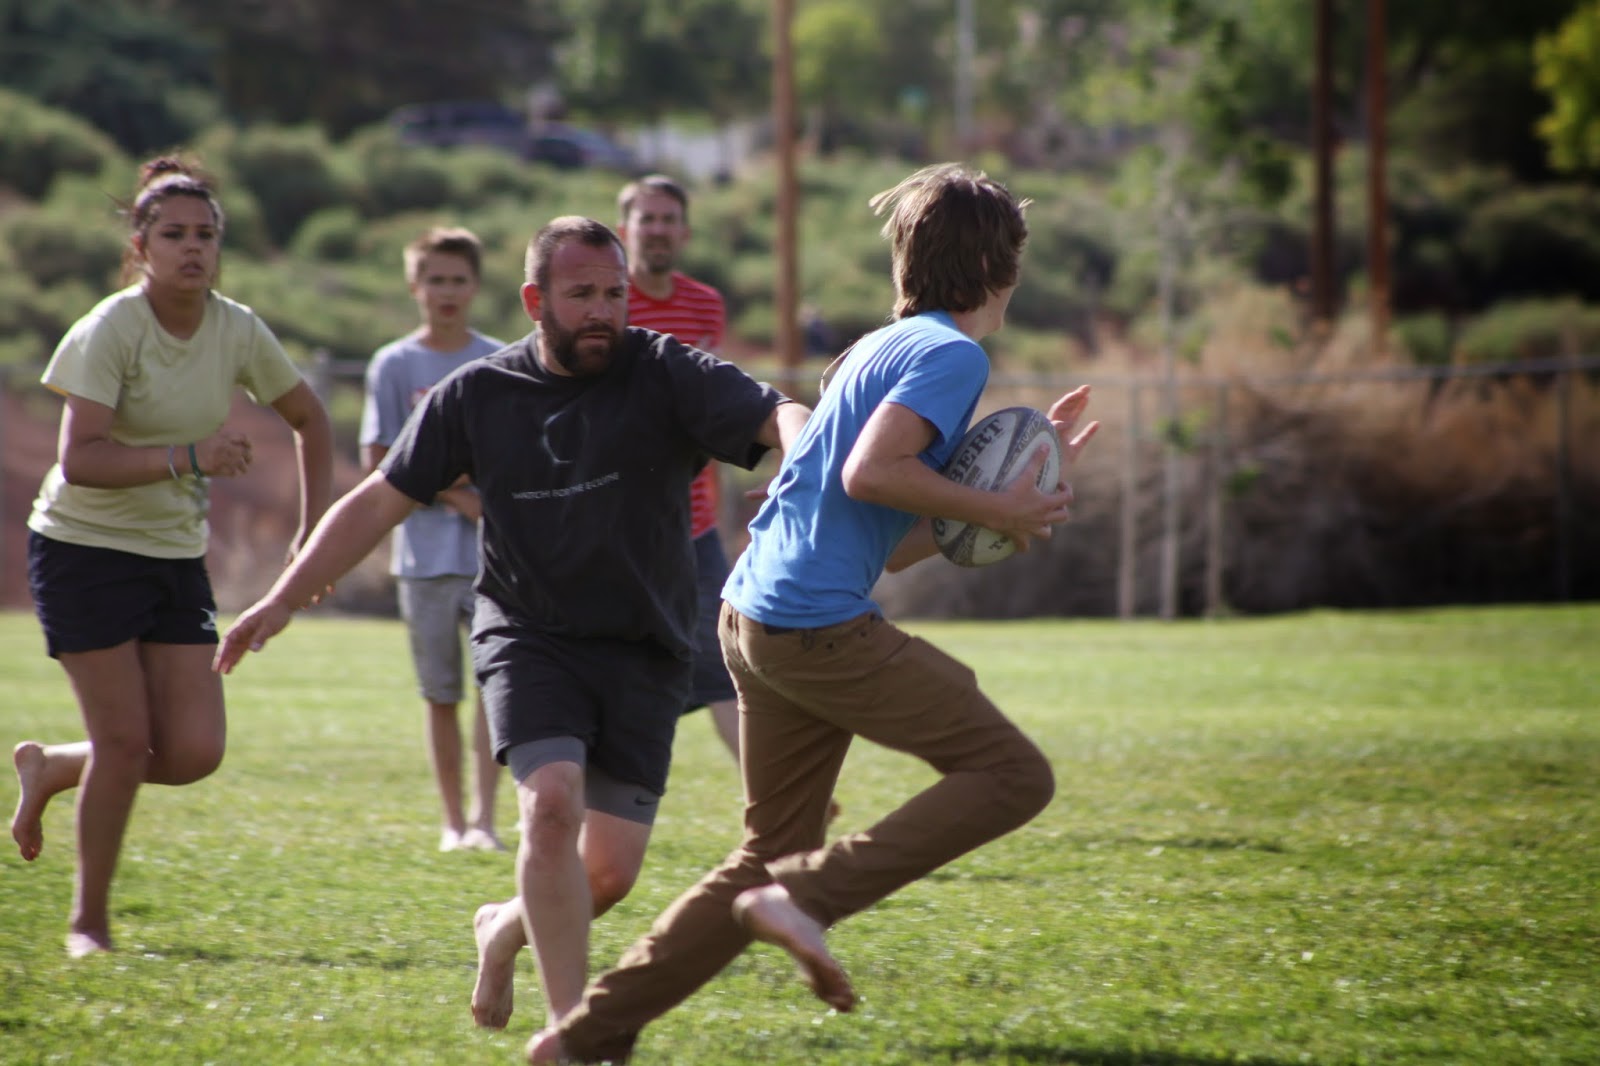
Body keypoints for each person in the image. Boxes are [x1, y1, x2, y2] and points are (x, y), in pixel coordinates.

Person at [526, 162, 1101, 1064]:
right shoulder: (954, 355)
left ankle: (581, 1038)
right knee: (1012, 774)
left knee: (764, 856)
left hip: (754, 617)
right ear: (1003, 268)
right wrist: (997, 509)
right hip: (810, 625)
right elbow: (870, 474)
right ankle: (812, 898)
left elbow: (883, 528)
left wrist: (1020, 486)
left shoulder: (877, 348)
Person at [212, 216, 810, 1032]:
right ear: (536, 300)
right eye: (581, 294)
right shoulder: (476, 395)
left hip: (648, 641)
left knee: (606, 877)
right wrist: (281, 598)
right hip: (531, 632)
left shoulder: (664, 371)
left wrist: (800, 457)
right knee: (551, 805)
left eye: (614, 294)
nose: (603, 311)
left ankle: (501, 928)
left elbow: (780, 412)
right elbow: (377, 501)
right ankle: (570, 1032)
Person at [8, 156, 334, 958]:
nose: (193, 249)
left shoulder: (236, 327)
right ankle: (88, 924)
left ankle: (52, 768)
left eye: (207, 236)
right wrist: (190, 456)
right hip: (83, 549)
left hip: (171, 556)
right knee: (124, 743)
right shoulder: (111, 328)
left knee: (191, 751)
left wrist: (312, 531)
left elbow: (311, 419)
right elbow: (81, 458)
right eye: (174, 234)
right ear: (140, 244)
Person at [360, 226, 505, 853]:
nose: (447, 292)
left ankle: (486, 821)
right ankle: (451, 823)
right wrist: (454, 491)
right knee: (440, 693)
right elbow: (378, 454)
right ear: (414, 286)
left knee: (494, 689)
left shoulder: (500, 357)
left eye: (458, 280)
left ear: (475, 286)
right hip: (421, 561)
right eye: (435, 280)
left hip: (494, 560)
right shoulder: (394, 364)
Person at [615, 174, 739, 759]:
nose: (658, 230)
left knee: (727, 658)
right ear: (625, 230)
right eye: (647, 219)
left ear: (684, 232)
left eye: (668, 219)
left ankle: (773, 804)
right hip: (616, 525)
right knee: (614, 664)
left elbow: (713, 404)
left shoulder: (705, 304)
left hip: (695, 524)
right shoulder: (604, 301)